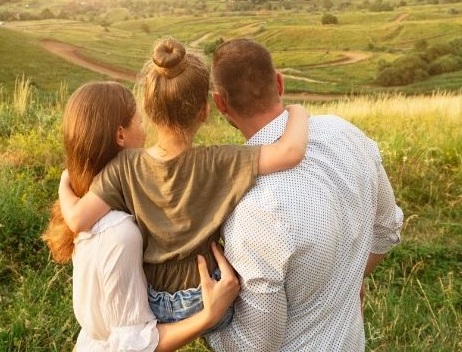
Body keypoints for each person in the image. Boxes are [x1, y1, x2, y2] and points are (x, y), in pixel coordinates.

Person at [59, 38, 310, 331]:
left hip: (154, 301)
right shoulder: (219, 160)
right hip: (205, 296)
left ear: (149, 111)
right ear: (203, 112)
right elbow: (290, 152)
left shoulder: (124, 166)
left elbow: (77, 219)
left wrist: (65, 182)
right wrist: (298, 111)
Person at [205, 38, 404, 351]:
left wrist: (209, 322)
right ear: (280, 83)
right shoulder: (347, 134)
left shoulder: (253, 204)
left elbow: (257, 345)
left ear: (221, 103)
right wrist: (346, 279)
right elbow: (387, 228)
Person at [42, 81, 241, 351]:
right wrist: (210, 315)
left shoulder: (84, 202)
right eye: (138, 120)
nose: (145, 128)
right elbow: (134, 344)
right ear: (121, 135)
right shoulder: (119, 233)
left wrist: (63, 182)